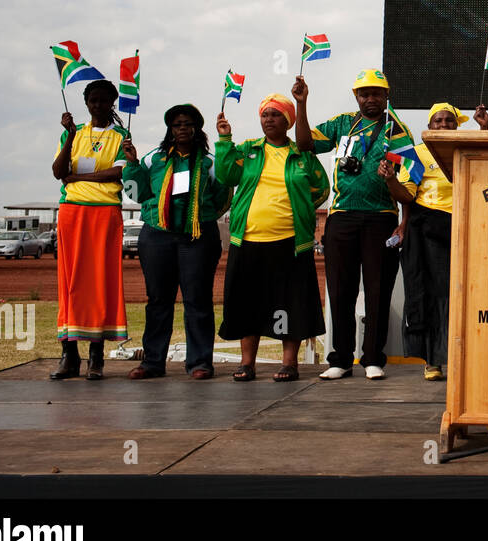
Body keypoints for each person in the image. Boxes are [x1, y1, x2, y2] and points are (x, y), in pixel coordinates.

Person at [295, 70, 415, 380]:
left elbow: (408, 186)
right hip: (342, 216)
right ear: (356, 96)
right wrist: (302, 104)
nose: (370, 98)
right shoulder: (342, 124)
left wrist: (403, 223)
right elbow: (306, 143)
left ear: (387, 96)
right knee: (340, 289)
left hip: (380, 218)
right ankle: (341, 359)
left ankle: (373, 358)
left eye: (377, 93)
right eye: (365, 93)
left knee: (377, 291)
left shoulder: (396, 131)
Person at [214, 94, 329, 382]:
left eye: (276, 115)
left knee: (289, 303)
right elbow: (227, 176)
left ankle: (290, 363)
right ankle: (247, 364)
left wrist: (300, 209)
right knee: (248, 303)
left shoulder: (302, 154)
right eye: (265, 114)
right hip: (248, 241)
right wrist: (224, 141)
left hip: (291, 242)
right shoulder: (248, 150)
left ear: (289, 121)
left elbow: (321, 189)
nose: (269, 120)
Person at [122, 104, 231, 380]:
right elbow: (139, 192)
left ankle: (200, 363)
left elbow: (221, 198)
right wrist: (132, 165)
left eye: (188, 124)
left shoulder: (210, 162)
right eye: (177, 124)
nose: (182, 128)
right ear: (170, 130)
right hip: (157, 236)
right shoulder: (153, 160)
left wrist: (199, 218)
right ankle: (153, 363)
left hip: (197, 237)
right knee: (158, 300)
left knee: (197, 300)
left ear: (197, 129)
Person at [49, 79, 131, 380]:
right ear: (85, 103)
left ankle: (96, 357)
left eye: (103, 100)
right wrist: (70, 136)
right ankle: (69, 355)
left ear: (112, 103)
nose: (97, 105)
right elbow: (59, 173)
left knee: (99, 281)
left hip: (105, 213)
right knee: (70, 283)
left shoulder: (121, 134)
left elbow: (119, 172)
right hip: (72, 212)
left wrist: (81, 177)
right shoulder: (74, 133)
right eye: (92, 100)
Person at [399, 103, 487, 381]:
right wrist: (391, 181)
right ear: (429, 125)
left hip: (465, 226)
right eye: (438, 121)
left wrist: (484, 128)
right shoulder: (416, 154)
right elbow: (406, 196)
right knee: (431, 296)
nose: (445, 125)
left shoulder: (465, 148)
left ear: (457, 126)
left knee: (466, 294)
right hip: (427, 231)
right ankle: (433, 360)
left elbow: (487, 172)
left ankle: (467, 359)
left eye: (450, 121)